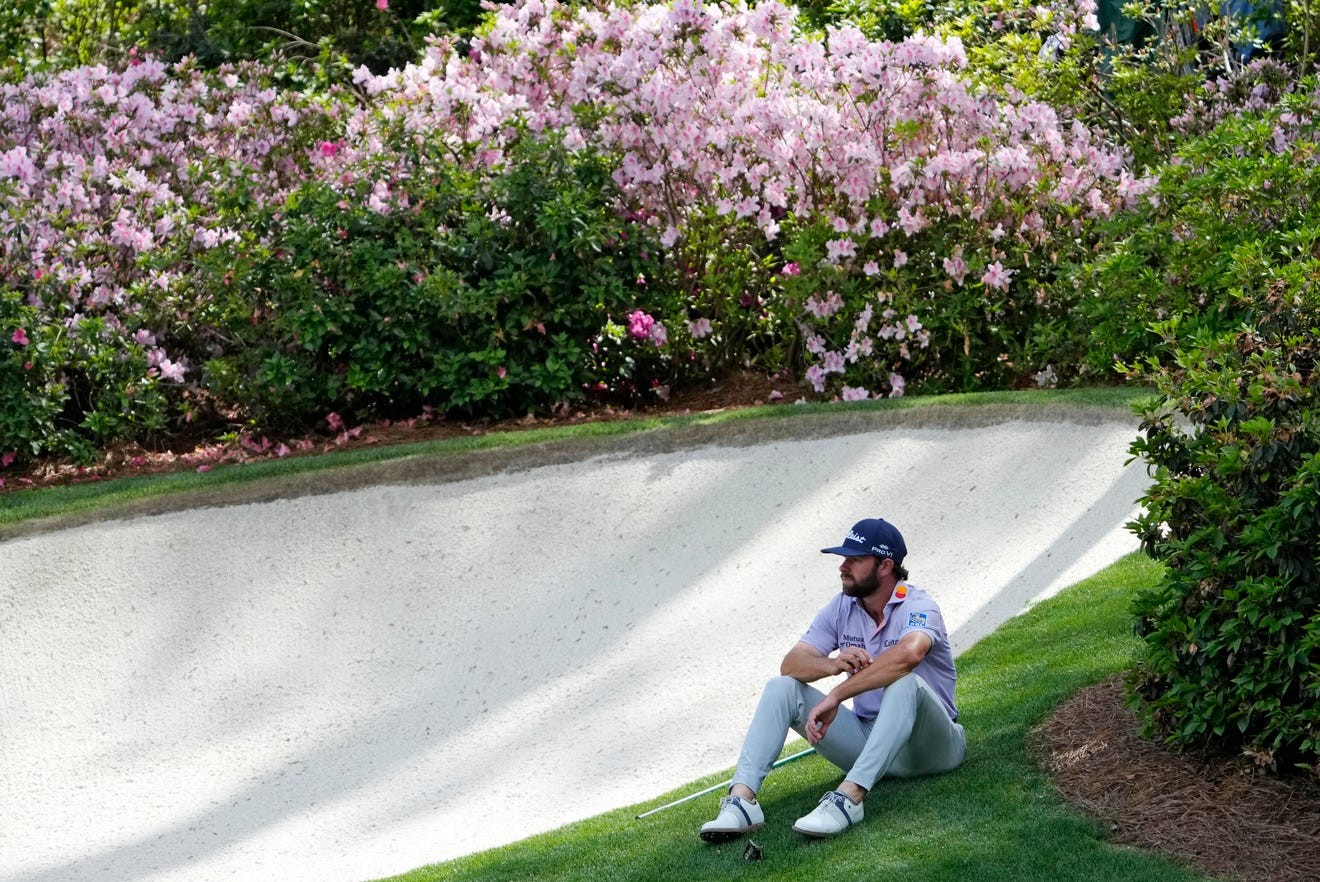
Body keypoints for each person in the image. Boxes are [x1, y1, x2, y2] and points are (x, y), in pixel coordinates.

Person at [699, 517, 965, 840]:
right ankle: (741, 802)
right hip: (871, 743)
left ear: (885, 566)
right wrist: (832, 664)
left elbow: (909, 655)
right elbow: (791, 664)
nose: (843, 567)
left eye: (855, 559)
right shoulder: (842, 607)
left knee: (903, 680)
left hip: (934, 747)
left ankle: (849, 799)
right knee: (781, 688)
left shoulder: (919, 605)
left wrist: (837, 694)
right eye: (843, 558)